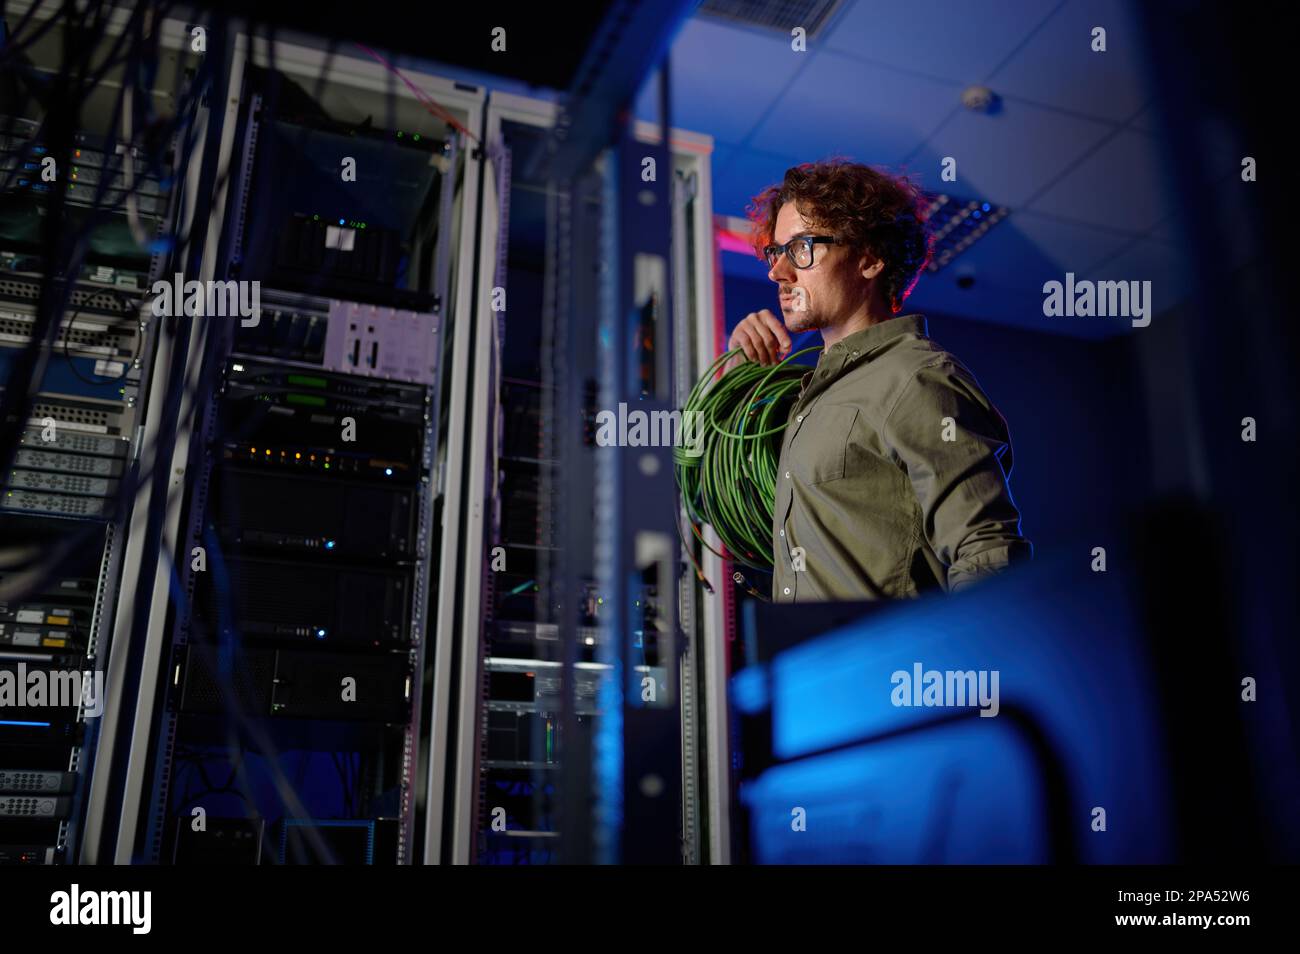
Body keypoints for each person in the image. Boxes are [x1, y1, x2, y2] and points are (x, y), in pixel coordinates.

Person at [728, 158, 1031, 601]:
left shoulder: (917, 379)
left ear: (869, 259)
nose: (778, 272)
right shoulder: (805, 399)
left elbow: (986, 553)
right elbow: (732, 511)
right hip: (808, 663)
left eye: (801, 249)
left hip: (887, 667)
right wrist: (739, 373)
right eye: (777, 252)